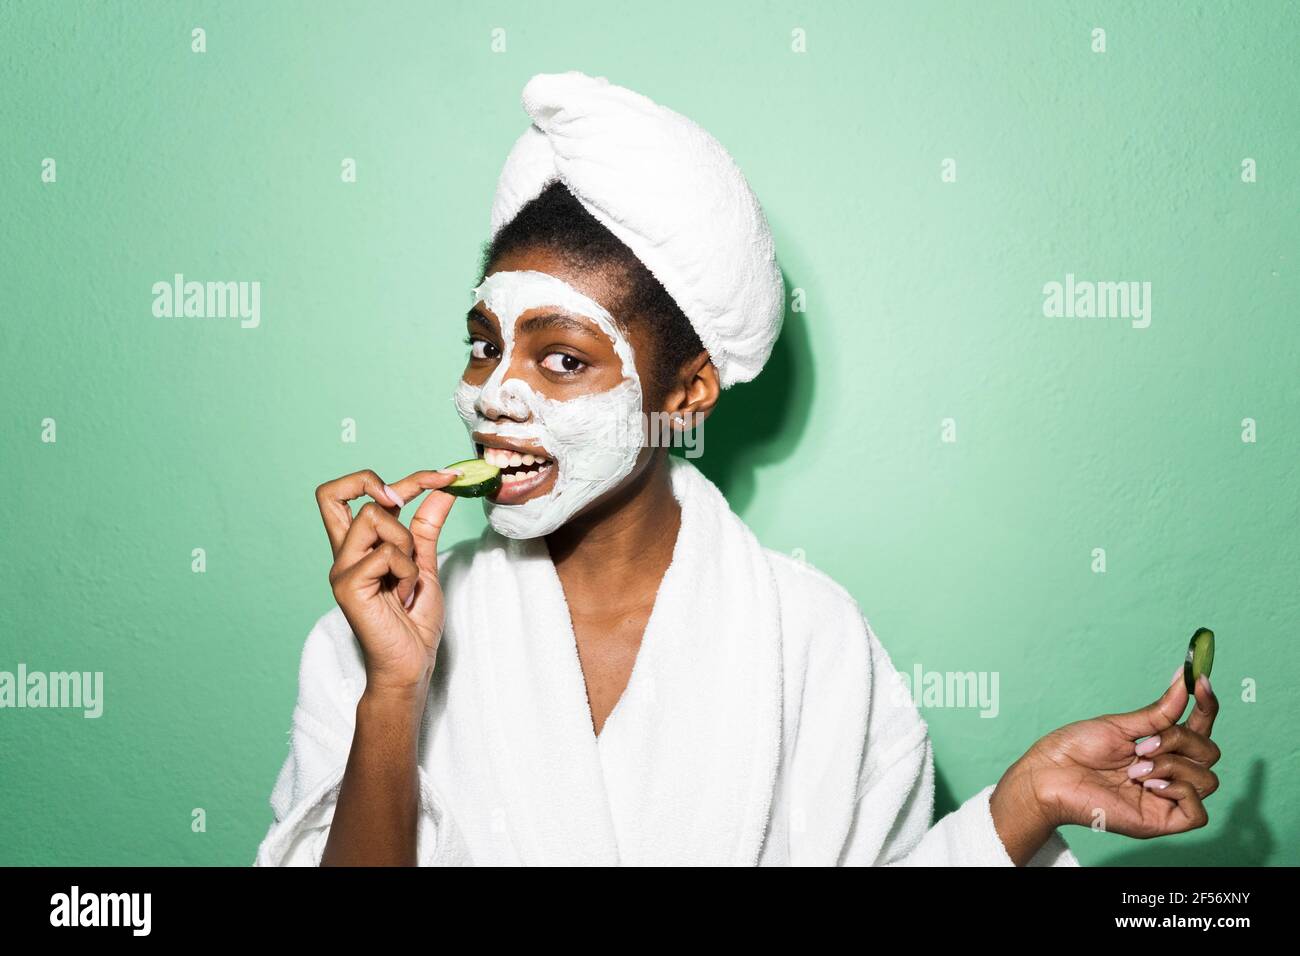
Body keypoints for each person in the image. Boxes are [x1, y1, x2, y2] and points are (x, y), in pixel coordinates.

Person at [254, 71, 1221, 866]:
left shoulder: (809, 638)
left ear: (686, 394)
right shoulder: (378, 633)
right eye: (482, 345)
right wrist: (392, 693)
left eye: (561, 357)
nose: (493, 394)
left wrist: (1022, 806)